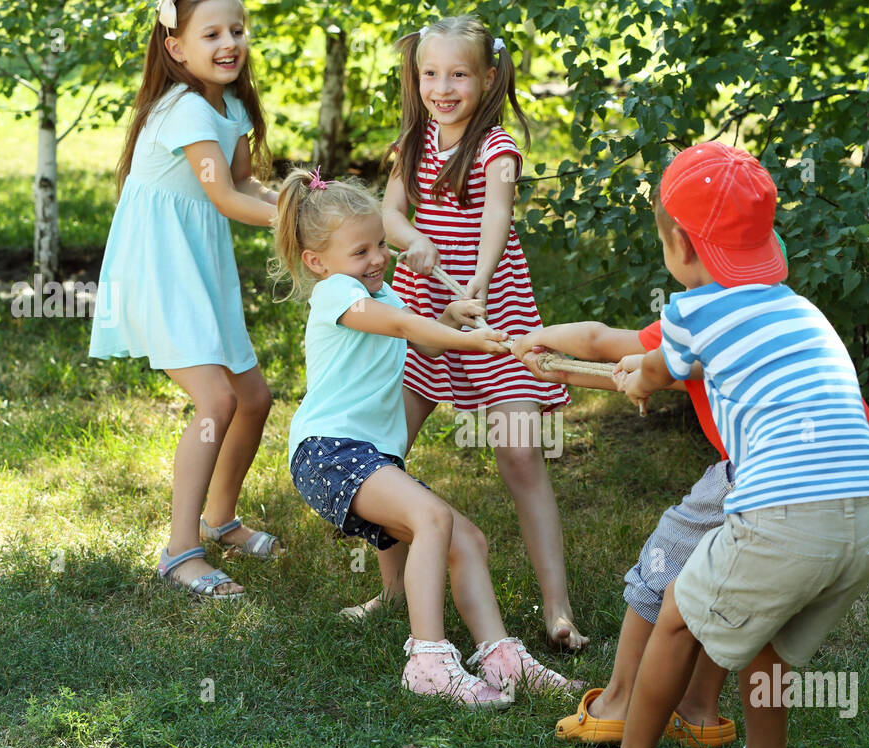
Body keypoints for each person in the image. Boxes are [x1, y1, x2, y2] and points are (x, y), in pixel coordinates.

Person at [575, 143, 869, 748]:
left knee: (676, 616)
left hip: (786, 509)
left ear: (679, 244)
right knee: (767, 631)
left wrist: (637, 379)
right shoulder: (802, 310)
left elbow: (652, 369)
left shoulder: (694, 311)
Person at [511, 307, 869, 748]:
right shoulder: (785, 319)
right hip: (860, 482)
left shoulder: (704, 319)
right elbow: (650, 374)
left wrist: (533, 338)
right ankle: (697, 712)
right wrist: (560, 370)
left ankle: (617, 706)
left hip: (769, 474)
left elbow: (599, 341)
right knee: (731, 586)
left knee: (665, 558)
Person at [272, 169, 581, 707]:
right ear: (317, 262)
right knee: (432, 518)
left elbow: (424, 341)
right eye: (360, 251)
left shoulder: (379, 292)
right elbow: (401, 328)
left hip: (367, 457)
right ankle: (429, 662)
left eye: (379, 245)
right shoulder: (337, 293)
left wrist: (449, 319)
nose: (377, 258)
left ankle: (503, 659)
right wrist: (471, 340)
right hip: (329, 452)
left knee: (469, 541)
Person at [359, 14, 588, 651]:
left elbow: (497, 217)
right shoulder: (412, 142)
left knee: (520, 455)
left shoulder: (496, 149)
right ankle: (391, 589)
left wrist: (478, 285)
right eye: (430, 74)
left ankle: (558, 609)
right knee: (384, 451)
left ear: (488, 77)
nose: (443, 88)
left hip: (493, 313)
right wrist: (413, 240)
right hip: (425, 313)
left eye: (458, 74)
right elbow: (390, 212)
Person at [91, 0, 282, 599]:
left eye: (237, 30)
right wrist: (300, 224)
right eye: (212, 33)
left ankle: (219, 519)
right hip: (160, 270)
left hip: (199, 268)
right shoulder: (185, 108)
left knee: (254, 399)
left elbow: (244, 182)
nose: (229, 43)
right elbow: (224, 198)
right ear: (176, 47)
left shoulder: (230, 104)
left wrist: (295, 200)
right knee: (217, 401)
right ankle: (179, 551)